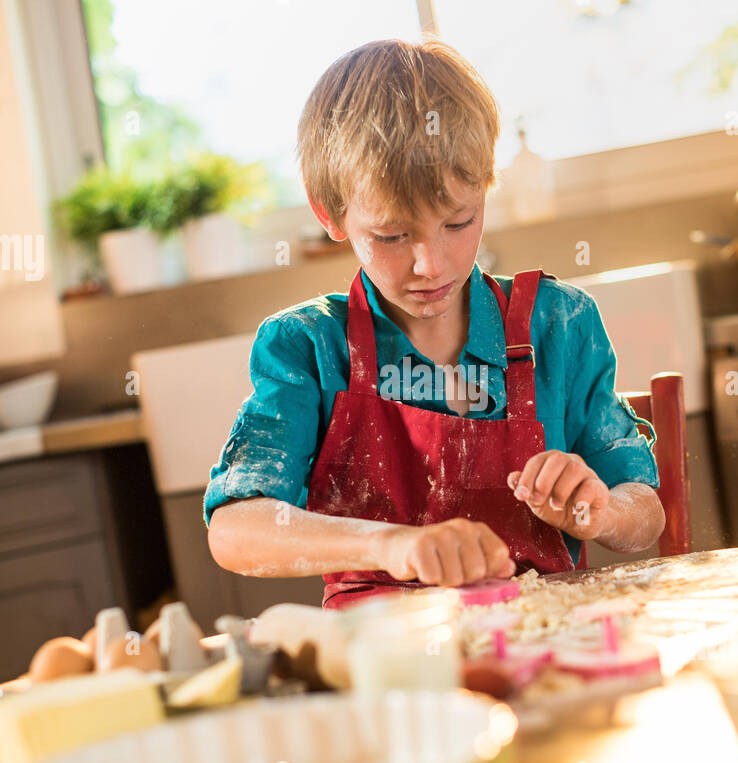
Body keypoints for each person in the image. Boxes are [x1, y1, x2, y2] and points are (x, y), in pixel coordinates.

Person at [205, 38, 665, 609]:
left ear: (485, 188)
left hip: (542, 639)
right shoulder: (308, 348)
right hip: (385, 663)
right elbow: (234, 531)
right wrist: (392, 545)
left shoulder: (560, 325)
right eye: (392, 236)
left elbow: (645, 516)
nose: (432, 265)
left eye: (459, 221)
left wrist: (600, 509)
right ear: (330, 214)